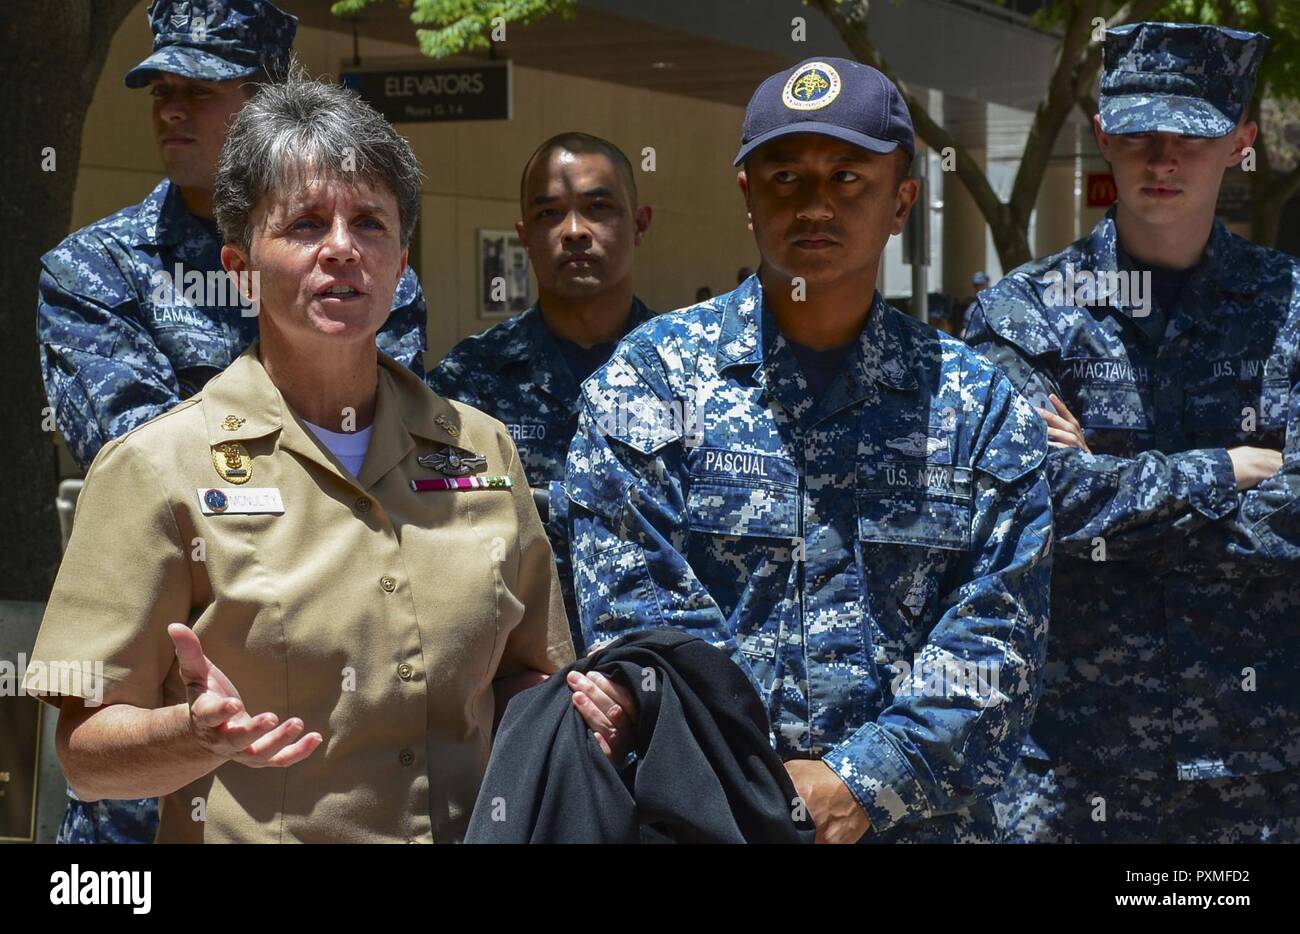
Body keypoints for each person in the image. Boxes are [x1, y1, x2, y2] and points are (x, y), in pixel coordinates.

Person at [23, 75, 577, 844]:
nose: (343, 248)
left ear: (400, 265)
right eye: (307, 224)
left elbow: (530, 677)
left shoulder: (482, 449)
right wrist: (193, 737)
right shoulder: (157, 467)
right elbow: (82, 757)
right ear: (242, 266)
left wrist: (582, 713)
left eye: (371, 224)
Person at [563, 57, 1053, 843]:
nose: (815, 203)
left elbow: (998, 637)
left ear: (902, 203)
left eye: (848, 177)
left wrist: (859, 783)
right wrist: (758, 786)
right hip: (706, 821)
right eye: (785, 176)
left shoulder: (976, 403)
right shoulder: (653, 379)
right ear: (747, 197)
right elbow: (635, 611)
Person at [966, 23, 1300, 842]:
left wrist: (1108, 484)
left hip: (1261, 766)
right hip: (1074, 773)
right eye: (1141, 135)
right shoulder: (1023, 315)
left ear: (1242, 143)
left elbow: (1084, 502)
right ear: (1102, 138)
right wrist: (1229, 469)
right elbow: (1036, 505)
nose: (1163, 160)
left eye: (1192, 135)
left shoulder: (1291, 305)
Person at [39, 0, 429, 477]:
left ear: (269, 104)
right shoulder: (94, 269)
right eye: (162, 92)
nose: (172, 112)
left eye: (199, 91)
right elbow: (140, 464)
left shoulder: (359, 263)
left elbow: (387, 444)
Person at [427, 133, 654, 654]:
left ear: (639, 224)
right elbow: (437, 537)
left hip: (660, 678)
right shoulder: (468, 381)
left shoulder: (692, 371)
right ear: (525, 236)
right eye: (551, 215)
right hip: (519, 682)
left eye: (599, 208)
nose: (575, 231)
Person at [959, 271, 989, 339]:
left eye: (981, 285)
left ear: (987, 285)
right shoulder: (972, 307)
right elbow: (966, 327)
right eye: (976, 286)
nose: (978, 289)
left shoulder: (994, 302)